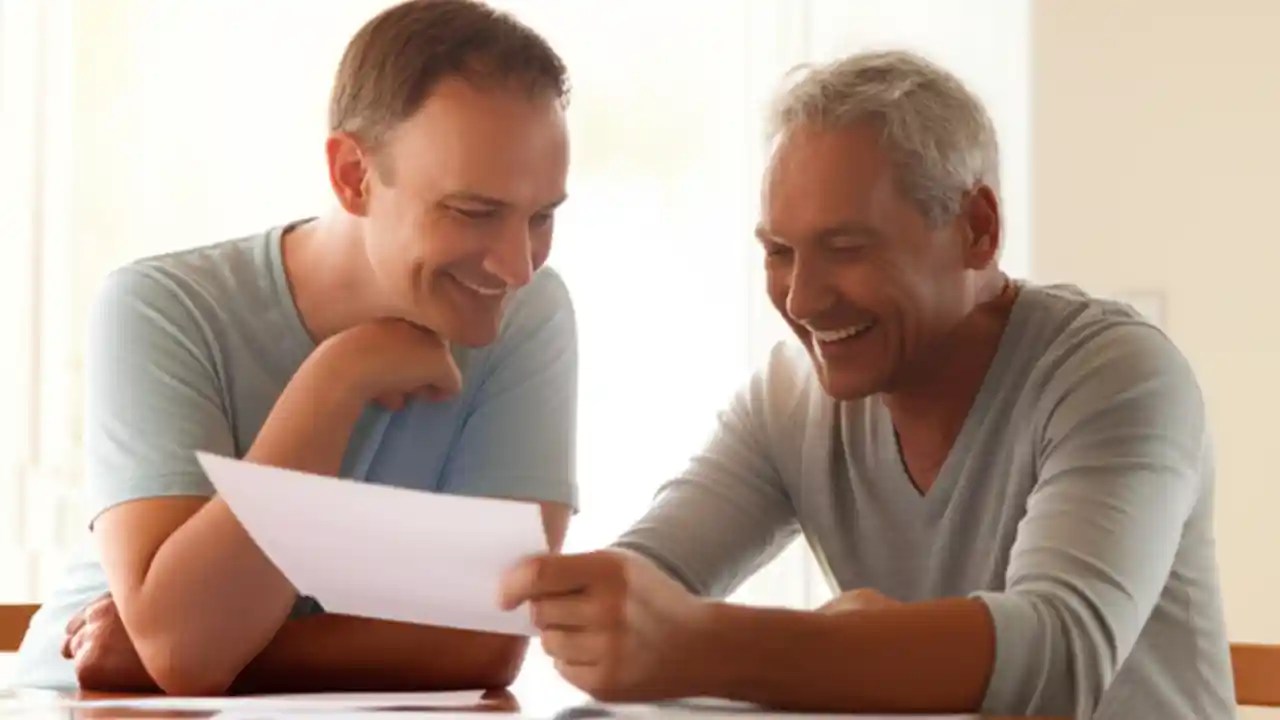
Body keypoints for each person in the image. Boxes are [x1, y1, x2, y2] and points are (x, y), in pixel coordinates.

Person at [500, 50, 1234, 719]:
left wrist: (709, 643)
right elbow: (649, 582)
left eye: (846, 248)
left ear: (977, 229)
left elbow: (1060, 655)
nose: (802, 300)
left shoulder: (1115, 375)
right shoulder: (792, 398)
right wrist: (591, 609)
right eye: (779, 252)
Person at [15, 0, 576, 695]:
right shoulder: (161, 308)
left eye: (541, 216)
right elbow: (183, 650)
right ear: (353, 175)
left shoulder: (527, 312)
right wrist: (338, 378)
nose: (518, 265)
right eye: (473, 212)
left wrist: (196, 651)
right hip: (91, 699)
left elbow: (486, 641)